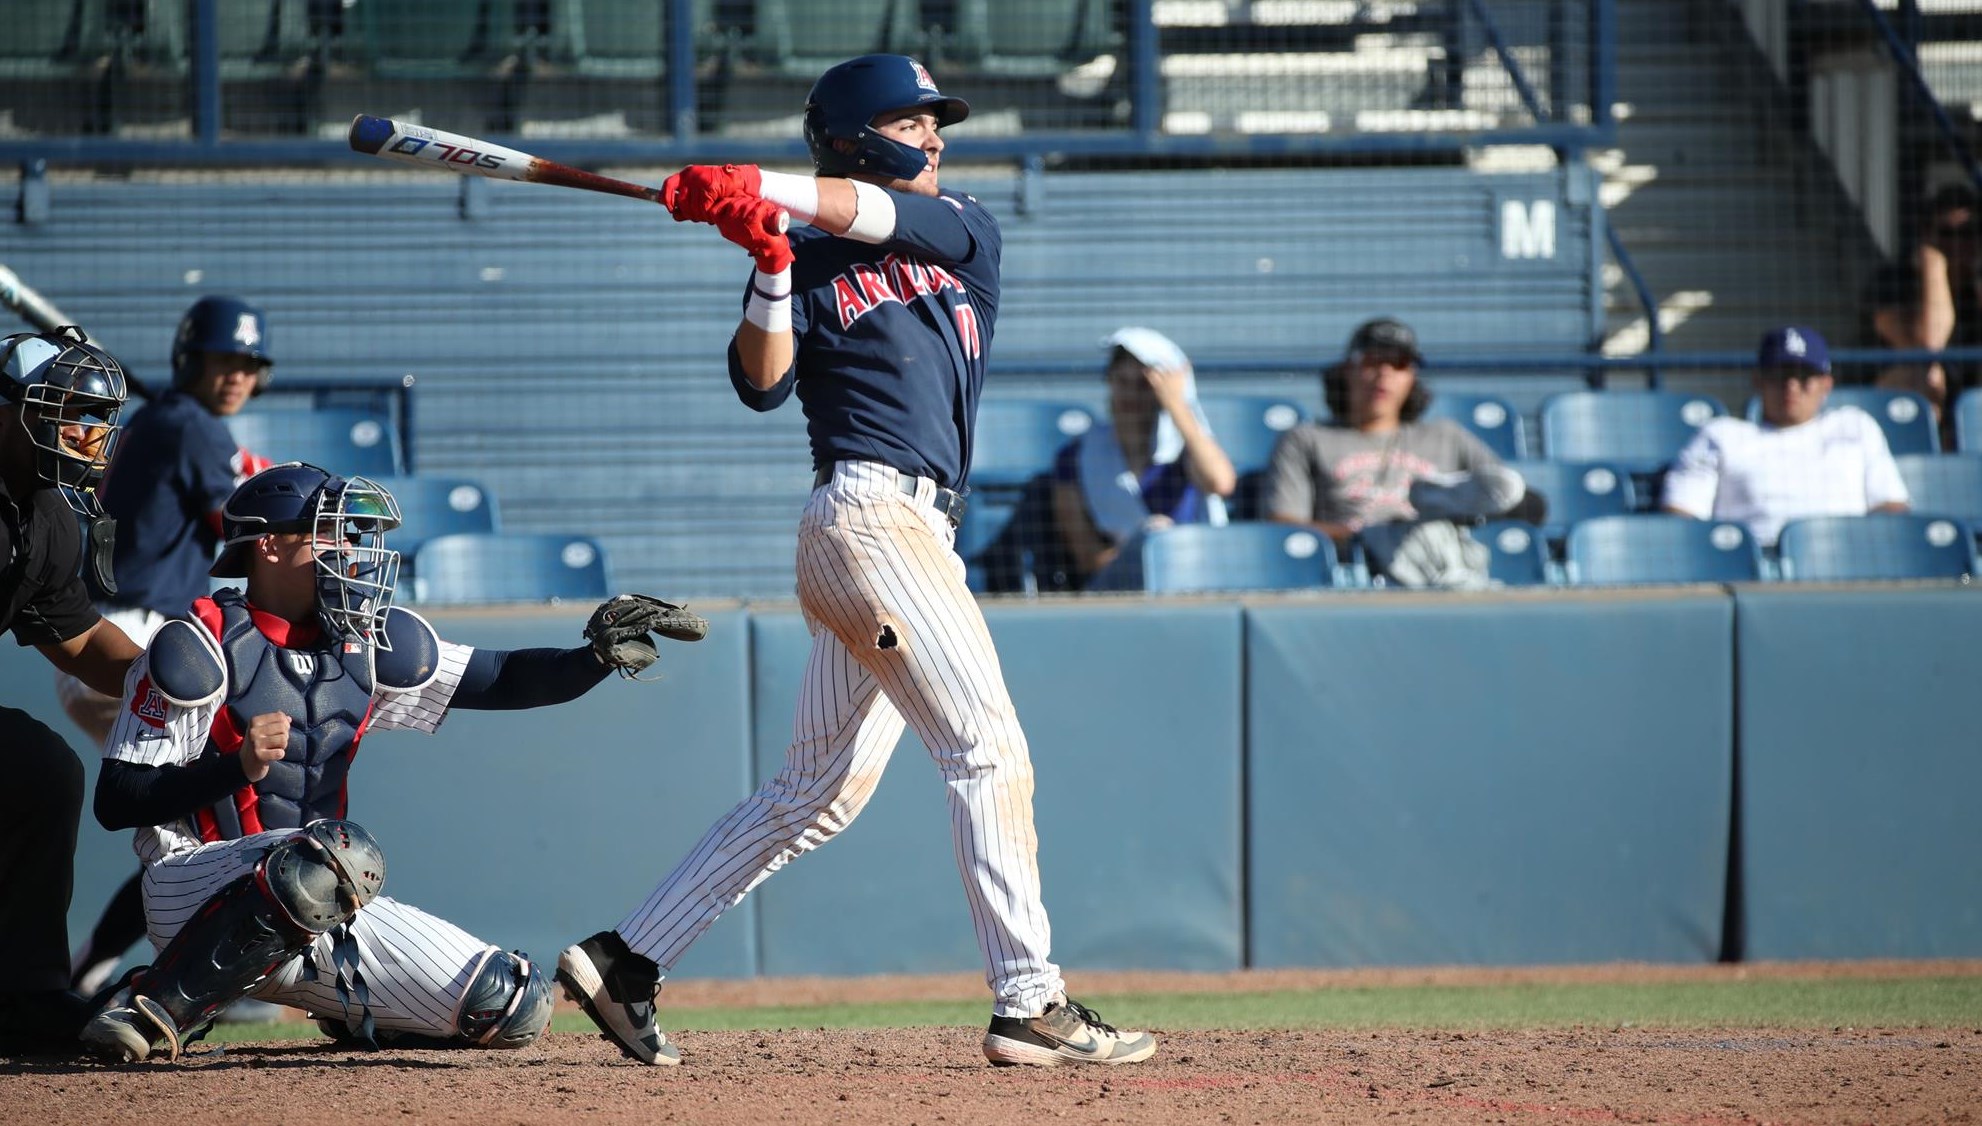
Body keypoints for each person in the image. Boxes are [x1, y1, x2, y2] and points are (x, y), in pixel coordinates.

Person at [552, 54, 1156, 1069]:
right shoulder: (803, 252)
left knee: (814, 792)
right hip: (867, 519)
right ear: (853, 130)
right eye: (911, 118)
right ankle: (1029, 1000)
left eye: (934, 119)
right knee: (988, 751)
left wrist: (759, 186)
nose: (933, 134)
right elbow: (760, 382)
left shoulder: (962, 227)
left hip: (906, 534)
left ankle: (627, 957)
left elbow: (881, 218)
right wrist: (770, 260)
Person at [78, 462, 707, 1063]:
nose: (350, 552)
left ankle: (347, 1009)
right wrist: (233, 767)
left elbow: (501, 677)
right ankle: (148, 1005)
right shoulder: (198, 645)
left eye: (351, 537)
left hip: (322, 901)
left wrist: (591, 659)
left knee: (512, 1004)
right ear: (268, 547)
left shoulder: (367, 642)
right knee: (330, 854)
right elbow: (118, 799)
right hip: (191, 886)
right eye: (329, 534)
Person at [57, 296, 277, 1004]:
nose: (236, 375)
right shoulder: (189, 423)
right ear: (191, 362)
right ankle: (201, 979)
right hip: (146, 641)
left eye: (247, 364)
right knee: (221, 814)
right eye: (223, 360)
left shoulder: (168, 422)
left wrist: (245, 467)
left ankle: (92, 967)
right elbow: (245, 530)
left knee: (189, 831)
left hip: (110, 643)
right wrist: (269, 483)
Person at [0, 326, 141, 1056]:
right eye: (66, 412)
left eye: (95, 420)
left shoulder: (47, 513)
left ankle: (23, 993)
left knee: (40, 768)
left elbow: (80, 640)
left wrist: (171, 677)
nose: (89, 436)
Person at [1264, 317, 1528, 584]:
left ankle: (1442, 504)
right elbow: (1284, 526)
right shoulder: (1307, 438)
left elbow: (1520, 500)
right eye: (1372, 361)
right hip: (1358, 565)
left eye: (1399, 364)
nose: (1384, 374)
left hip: (1440, 553)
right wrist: (1358, 537)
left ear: (1412, 377)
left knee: (1441, 533)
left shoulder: (1447, 435)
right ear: (1346, 370)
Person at [1662, 326, 1909, 547]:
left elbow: (1890, 506)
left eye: (1804, 377)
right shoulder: (1721, 434)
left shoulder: (1855, 426)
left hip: (1850, 563)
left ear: (1826, 384)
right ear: (1758, 379)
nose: (1791, 386)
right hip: (1757, 572)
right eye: (1780, 374)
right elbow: (1682, 516)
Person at [1049, 327, 1236, 588]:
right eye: (1121, 382)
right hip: (1120, 592)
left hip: (1194, 582)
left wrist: (1178, 405)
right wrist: (1145, 549)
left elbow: (1220, 482)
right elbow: (1089, 558)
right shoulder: (1074, 457)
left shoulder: (1185, 451)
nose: (1130, 396)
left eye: (1143, 386)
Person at [1862, 184, 1980, 449]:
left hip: (1966, 408)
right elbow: (1928, 345)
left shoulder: (1975, 292)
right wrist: (1934, 266)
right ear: (1927, 235)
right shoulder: (1892, 281)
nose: (1959, 245)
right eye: (1948, 234)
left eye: (1969, 233)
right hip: (1893, 408)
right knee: (1927, 375)